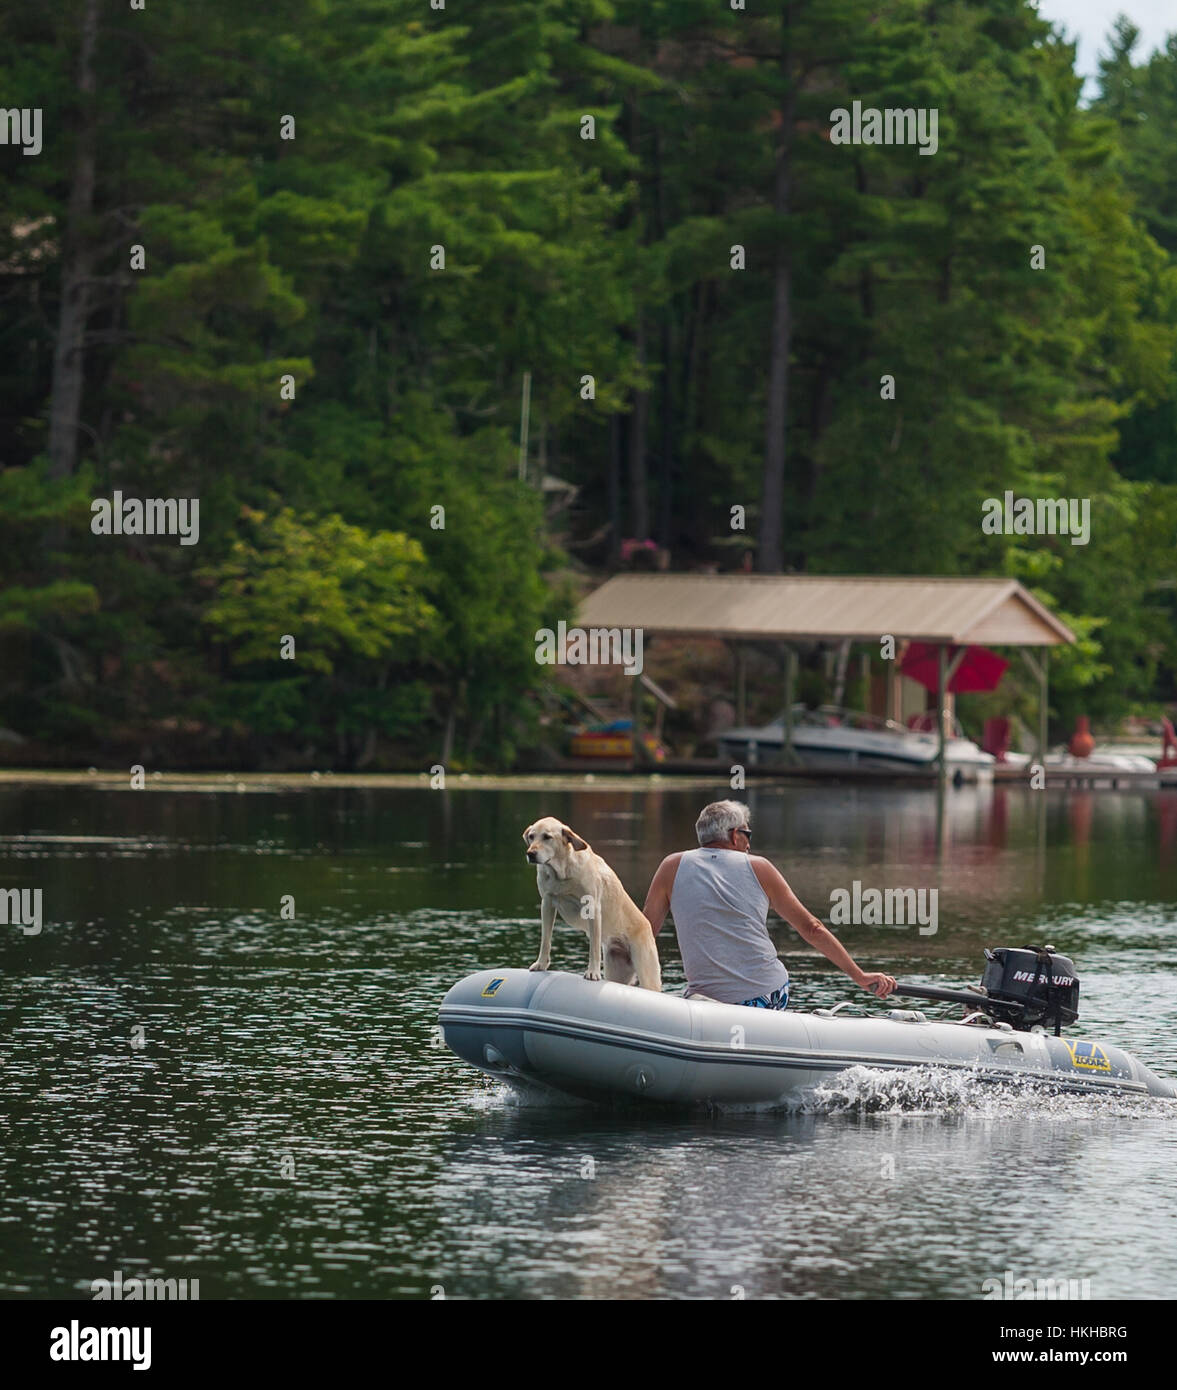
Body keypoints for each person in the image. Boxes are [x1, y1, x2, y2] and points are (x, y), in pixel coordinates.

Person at [641, 799, 896, 1010]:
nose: (749, 843)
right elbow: (812, 928)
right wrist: (859, 976)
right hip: (764, 993)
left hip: (703, 998)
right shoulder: (759, 867)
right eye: (747, 833)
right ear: (733, 835)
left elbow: (643, 934)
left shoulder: (670, 866)